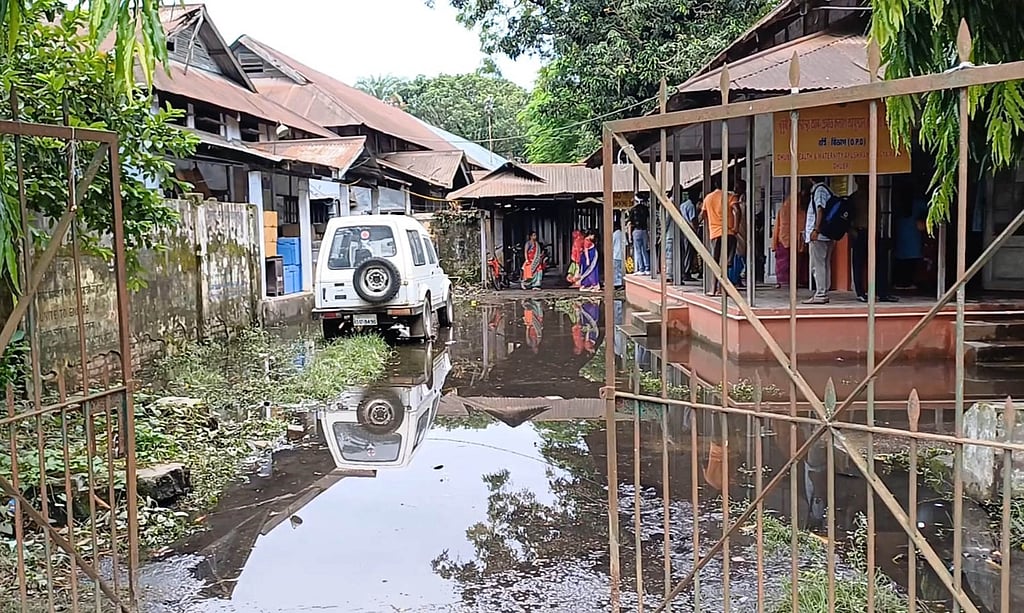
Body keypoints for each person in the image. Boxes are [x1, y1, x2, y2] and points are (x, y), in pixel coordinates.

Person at [848, 177, 899, 303]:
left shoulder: (874, 195)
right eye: (860, 179)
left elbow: (879, 214)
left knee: (880, 263)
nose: (863, 182)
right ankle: (860, 292)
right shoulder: (853, 198)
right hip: (859, 232)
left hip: (874, 232)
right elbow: (847, 218)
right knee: (858, 264)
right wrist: (852, 231)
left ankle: (882, 293)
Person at [701, 177, 738, 296]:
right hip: (728, 232)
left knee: (715, 261)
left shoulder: (708, 198)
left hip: (715, 233)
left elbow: (703, 215)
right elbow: (736, 210)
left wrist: (707, 227)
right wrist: (736, 227)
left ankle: (713, 289)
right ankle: (723, 288)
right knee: (726, 262)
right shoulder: (730, 196)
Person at [803, 177, 834, 304]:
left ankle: (821, 293)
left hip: (819, 235)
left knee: (818, 265)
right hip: (827, 233)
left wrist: (815, 230)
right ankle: (824, 291)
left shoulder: (819, 190)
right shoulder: (827, 190)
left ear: (810, 179)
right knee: (824, 264)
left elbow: (820, 209)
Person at [893, 186, 929, 290]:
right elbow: (930, 206)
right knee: (912, 259)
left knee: (901, 259)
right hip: (913, 234)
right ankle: (908, 282)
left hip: (901, 233)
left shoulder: (898, 205)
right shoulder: (916, 204)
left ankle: (899, 282)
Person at [771, 191, 806, 289]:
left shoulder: (784, 208)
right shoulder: (798, 210)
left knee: (785, 261)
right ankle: (791, 281)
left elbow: (778, 226)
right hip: (793, 238)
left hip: (785, 238)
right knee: (790, 261)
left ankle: (784, 281)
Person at [729, 180, 747, 289]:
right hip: (736, 231)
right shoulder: (733, 200)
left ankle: (736, 278)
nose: (735, 190)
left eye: (738, 187)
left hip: (741, 230)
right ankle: (734, 279)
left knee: (740, 254)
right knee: (736, 255)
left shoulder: (741, 202)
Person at [679, 191, 697, 282]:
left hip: (682, 230)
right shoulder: (691, 206)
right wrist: (695, 231)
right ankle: (686, 272)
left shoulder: (683, 205)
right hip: (689, 231)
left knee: (685, 252)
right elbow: (693, 219)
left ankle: (683, 271)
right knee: (689, 252)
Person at [631, 200, 650, 274]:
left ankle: (641, 269)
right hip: (644, 231)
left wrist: (629, 235)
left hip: (636, 230)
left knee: (638, 250)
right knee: (645, 250)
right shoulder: (646, 209)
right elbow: (648, 221)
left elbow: (630, 222)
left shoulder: (633, 209)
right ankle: (647, 268)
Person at [612, 221, 625, 289]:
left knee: (616, 270)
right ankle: (621, 282)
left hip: (616, 254)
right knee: (621, 270)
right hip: (622, 255)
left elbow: (611, 244)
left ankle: (617, 284)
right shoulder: (623, 234)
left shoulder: (614, 234)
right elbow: (626, 244)